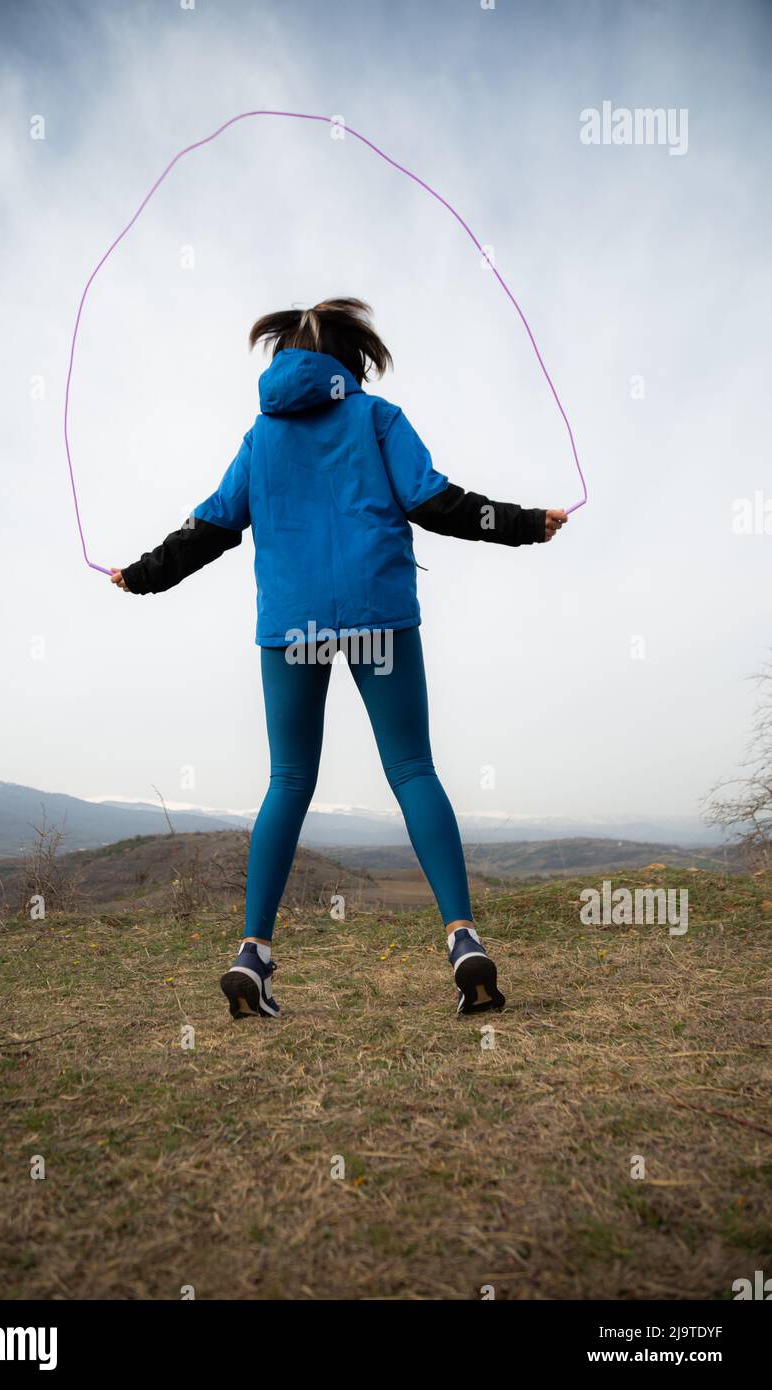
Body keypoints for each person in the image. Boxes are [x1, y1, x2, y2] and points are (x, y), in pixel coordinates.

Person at [113, 298, 568, 1020]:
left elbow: (211, 526)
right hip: (376, 614)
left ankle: (251, 954)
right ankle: (462, 938)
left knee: (288, 778)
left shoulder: (261, 438)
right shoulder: (375, 418)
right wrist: (521, 525)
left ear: (287, 359)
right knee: (412, 768)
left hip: (290, 624)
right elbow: (434, 501)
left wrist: (142, 574)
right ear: (351, 360)